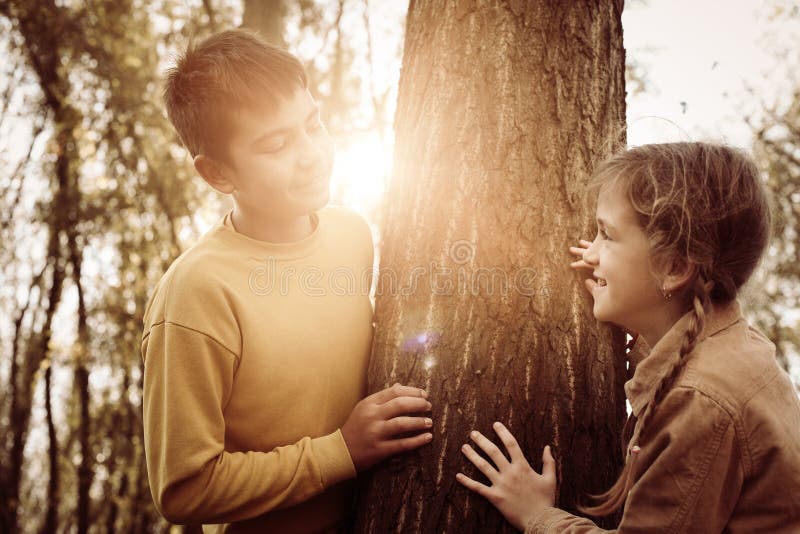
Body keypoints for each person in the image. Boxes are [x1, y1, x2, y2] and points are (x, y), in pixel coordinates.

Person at [141, 29, 433, 533]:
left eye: (313, 124)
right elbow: (184, 488)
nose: (311, 153)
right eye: (276, 144)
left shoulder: (351, 234)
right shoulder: (197, 293)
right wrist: (340, 452)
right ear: (218, 174)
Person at [455, 142, 800, 532]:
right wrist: (639, 311)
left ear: (674, 268)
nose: (590, 255)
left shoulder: (699, 401)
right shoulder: (739, 347)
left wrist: (537, 516)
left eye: (607, 235)